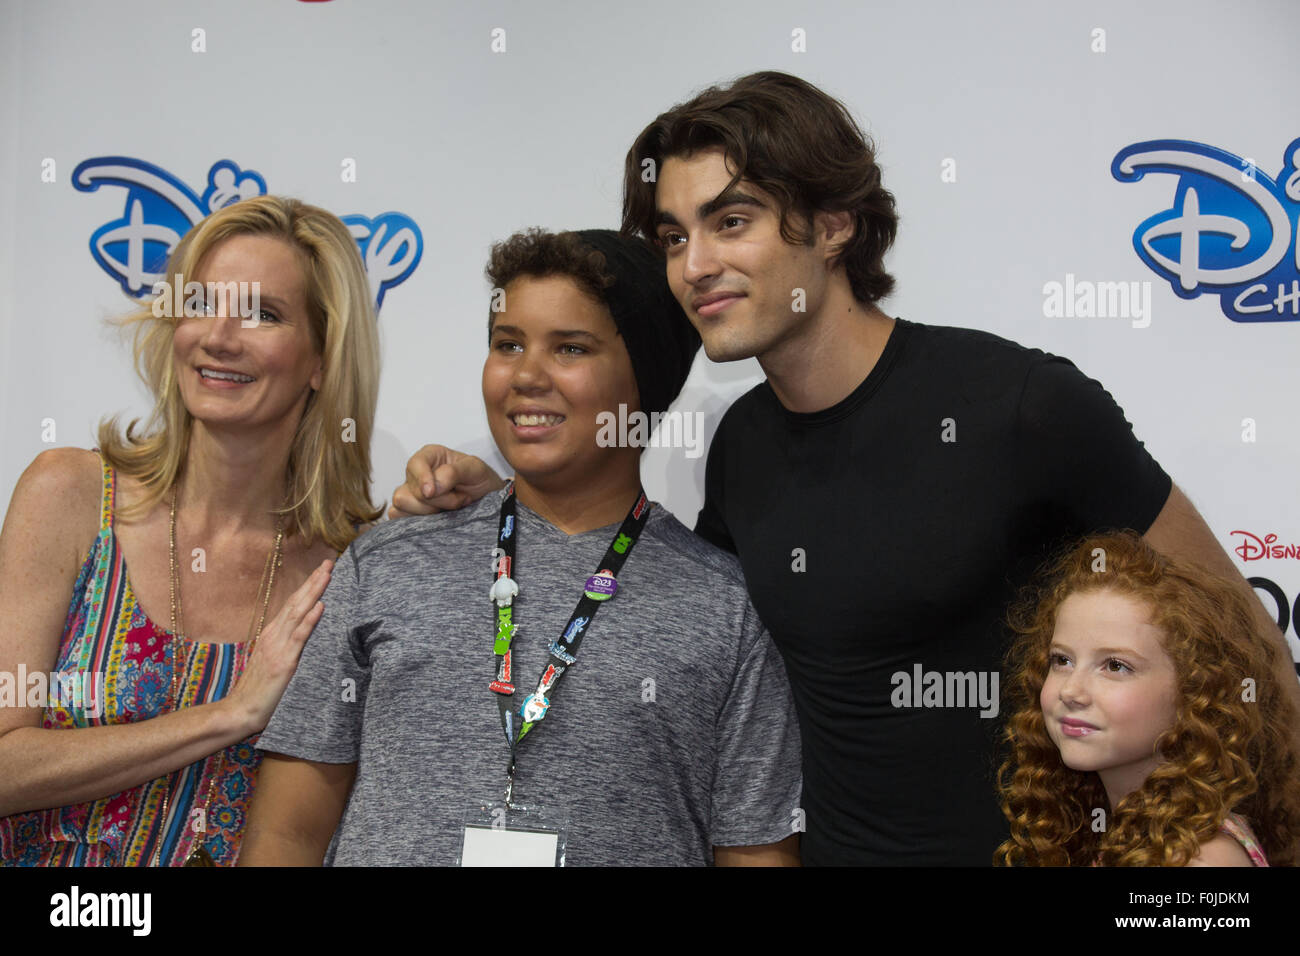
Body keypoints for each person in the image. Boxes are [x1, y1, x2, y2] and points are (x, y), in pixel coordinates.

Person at [389, 71, 1300, 865]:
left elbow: (1244, 654)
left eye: (730, 221)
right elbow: (666, 604)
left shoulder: (1019, 404)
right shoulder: (740, 444)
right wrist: (508, 496)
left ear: (831, 226)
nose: (695, 265)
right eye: (672, 238)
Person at [240, 228, 802, 866]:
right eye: (508, 344)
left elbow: (756, 852)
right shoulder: (386, 565)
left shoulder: (724, 607)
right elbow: (287, 835)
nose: (527, 375)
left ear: (645, 378)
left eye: (570, 348)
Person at [0, 195, 382, 866]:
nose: (219, 337)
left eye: (262, 314)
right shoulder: (70, 495)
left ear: (322, 357)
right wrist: (227, 716)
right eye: (202, 303)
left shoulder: (346, 568)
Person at [997, 531, 1300, 866]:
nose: (1071, 691)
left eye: (1115, 666)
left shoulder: (1199, 859)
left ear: (1196, 692)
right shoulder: (1112, 830)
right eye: (1061, 660)